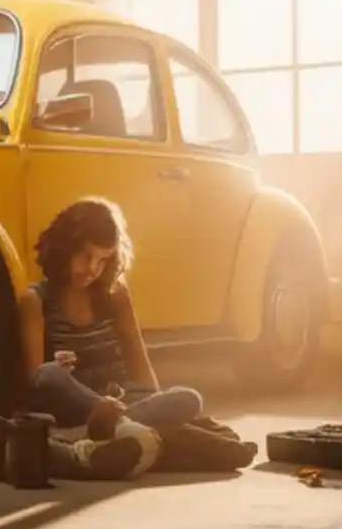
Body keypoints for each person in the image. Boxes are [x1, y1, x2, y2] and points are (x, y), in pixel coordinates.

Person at [19, 197, 256, 478]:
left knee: (187, 399)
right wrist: (58, 366)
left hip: (124, 399)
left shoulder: (114, 295)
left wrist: (158, 404)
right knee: (49, 376)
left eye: (102, 260)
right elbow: (35, 380)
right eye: (85, 256)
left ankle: (107, 436)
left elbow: (139, 362)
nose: (92, 268)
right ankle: (130, 434)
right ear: (64, 249)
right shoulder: (36, 300)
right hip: (73, 405)